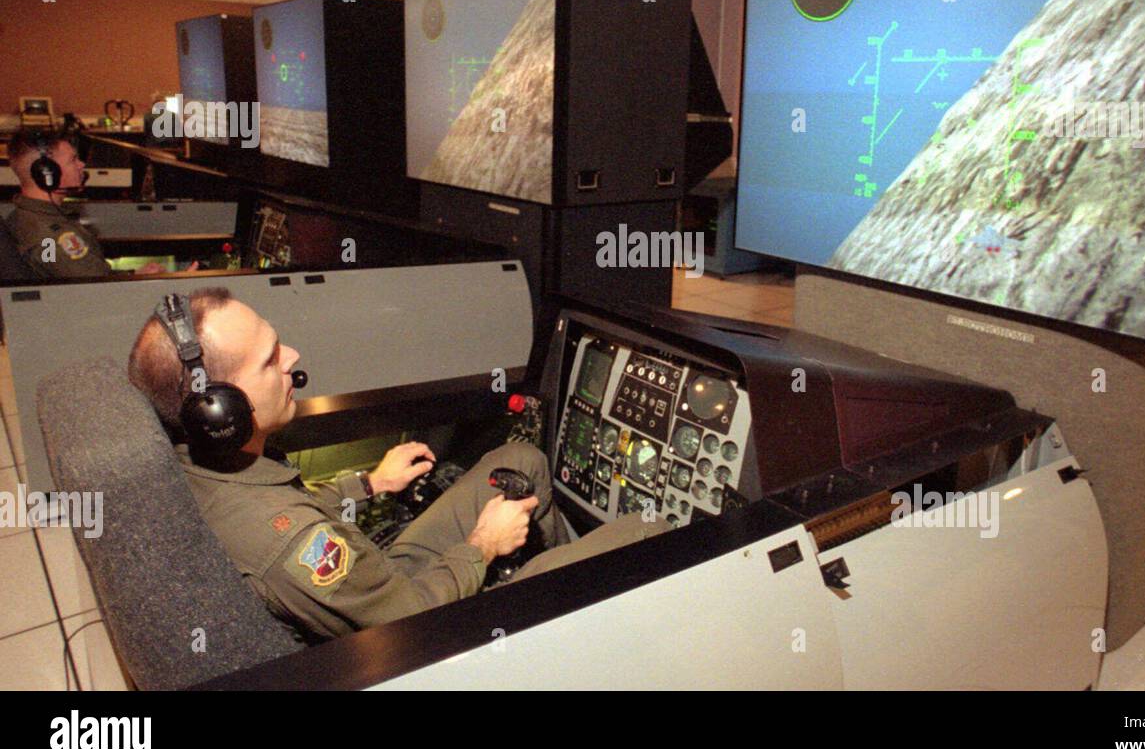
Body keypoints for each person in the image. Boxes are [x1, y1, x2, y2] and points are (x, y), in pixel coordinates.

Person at [127, 287, 666, 642]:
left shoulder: (212, 458)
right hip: (418, 634)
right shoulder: (288, 546)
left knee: (520, 458)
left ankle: (567, 606)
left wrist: (368, 483)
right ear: (217, 411)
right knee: (646, 531)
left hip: (375, 584)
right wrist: (483, 545)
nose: (290, 356)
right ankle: (544, 613)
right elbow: (408, 619)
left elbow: (291, 506)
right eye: (269, 359)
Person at [4, 129, 197, 279]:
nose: (81, 165)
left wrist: (135, 276)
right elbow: (99, 292)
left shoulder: (26, 217)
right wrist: (175, 282)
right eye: (73, 160)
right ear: (47, 173)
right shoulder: (51, 239)